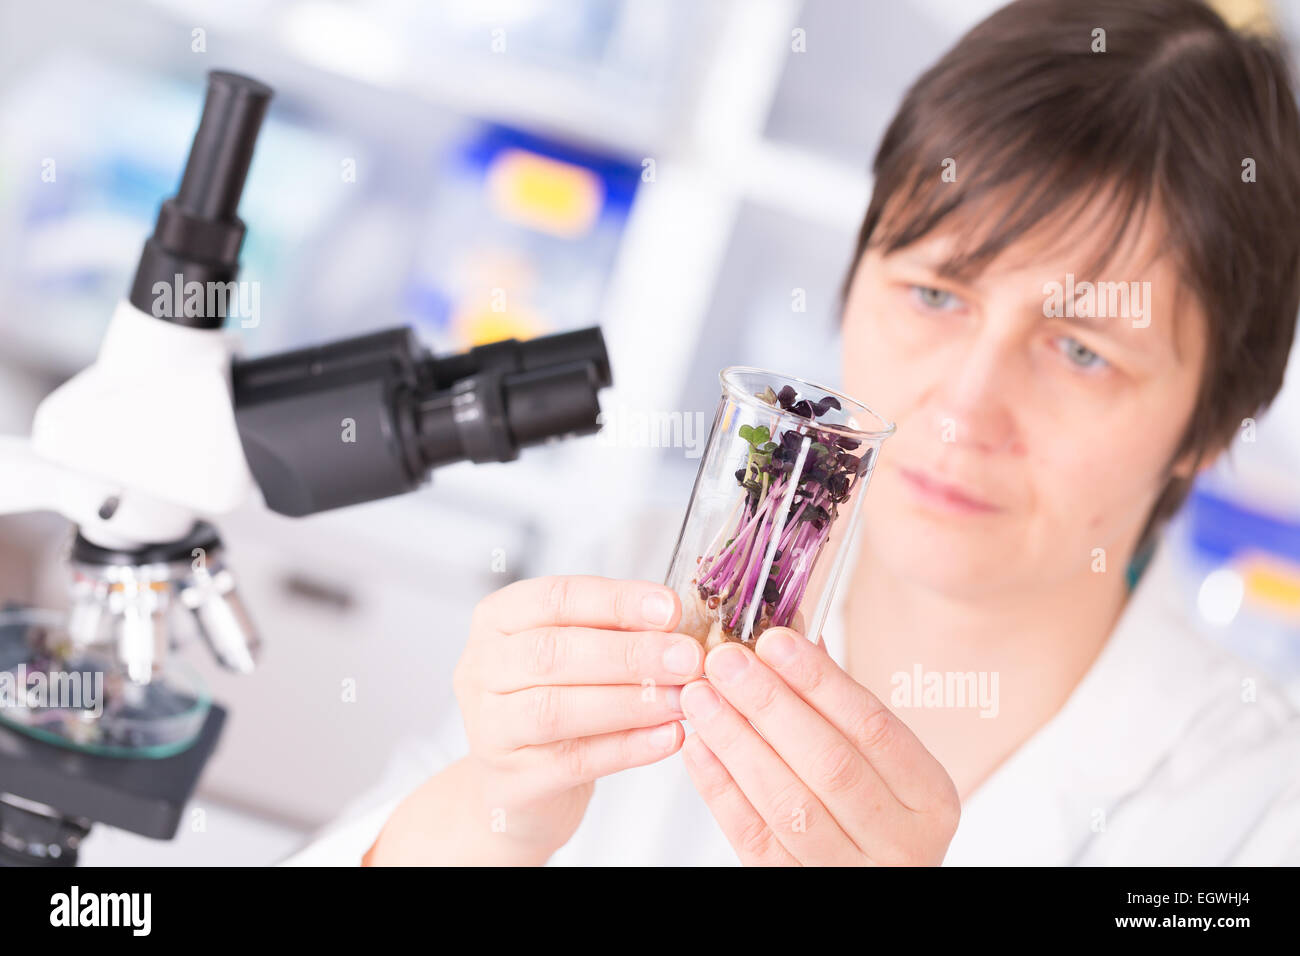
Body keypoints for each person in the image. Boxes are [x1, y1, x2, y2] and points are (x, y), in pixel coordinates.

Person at [284, 0, 1300, 866]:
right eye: (934, 294)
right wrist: (487, 814)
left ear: (1209, 426)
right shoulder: (649, 580)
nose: (962, 406)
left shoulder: (1257, 797)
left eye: (1081, 350)